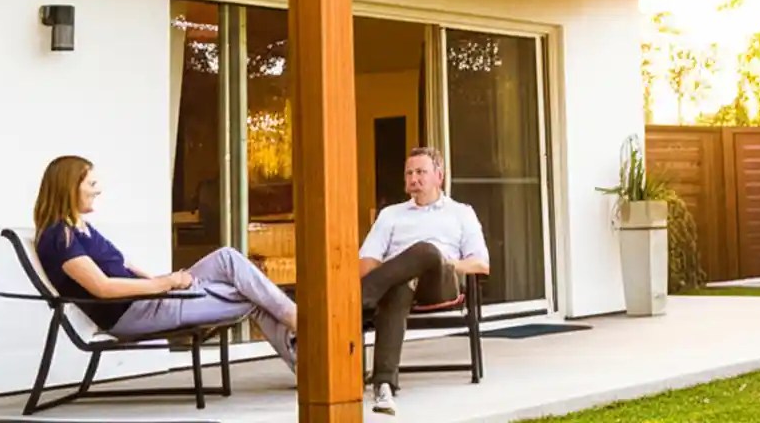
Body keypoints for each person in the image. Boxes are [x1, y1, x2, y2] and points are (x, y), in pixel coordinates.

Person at [32, 155, 298, 373]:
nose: (98, 190)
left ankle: (298, 328)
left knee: (227, 258)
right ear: (70, 187)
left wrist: (165, 282)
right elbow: (103, 288)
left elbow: (124, 264)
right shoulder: (59, 237)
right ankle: (302, 340)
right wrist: (165, 284)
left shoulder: (81, 228)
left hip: (151, 299)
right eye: (91, 184)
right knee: (253, 295)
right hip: (133, 312)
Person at [358, 146, 490, 415]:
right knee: (399, 288)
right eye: (409, 173)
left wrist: (447, 263)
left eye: (421, 172)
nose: (414, 178)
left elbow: (481, 264)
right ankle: (384, 387)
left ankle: (357, 300)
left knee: (426, 251)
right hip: (399, 284)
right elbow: (367, 262)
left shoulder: (461, 212)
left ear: (439, 176)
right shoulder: (390, 214)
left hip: (440, 283)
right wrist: (398, 272)